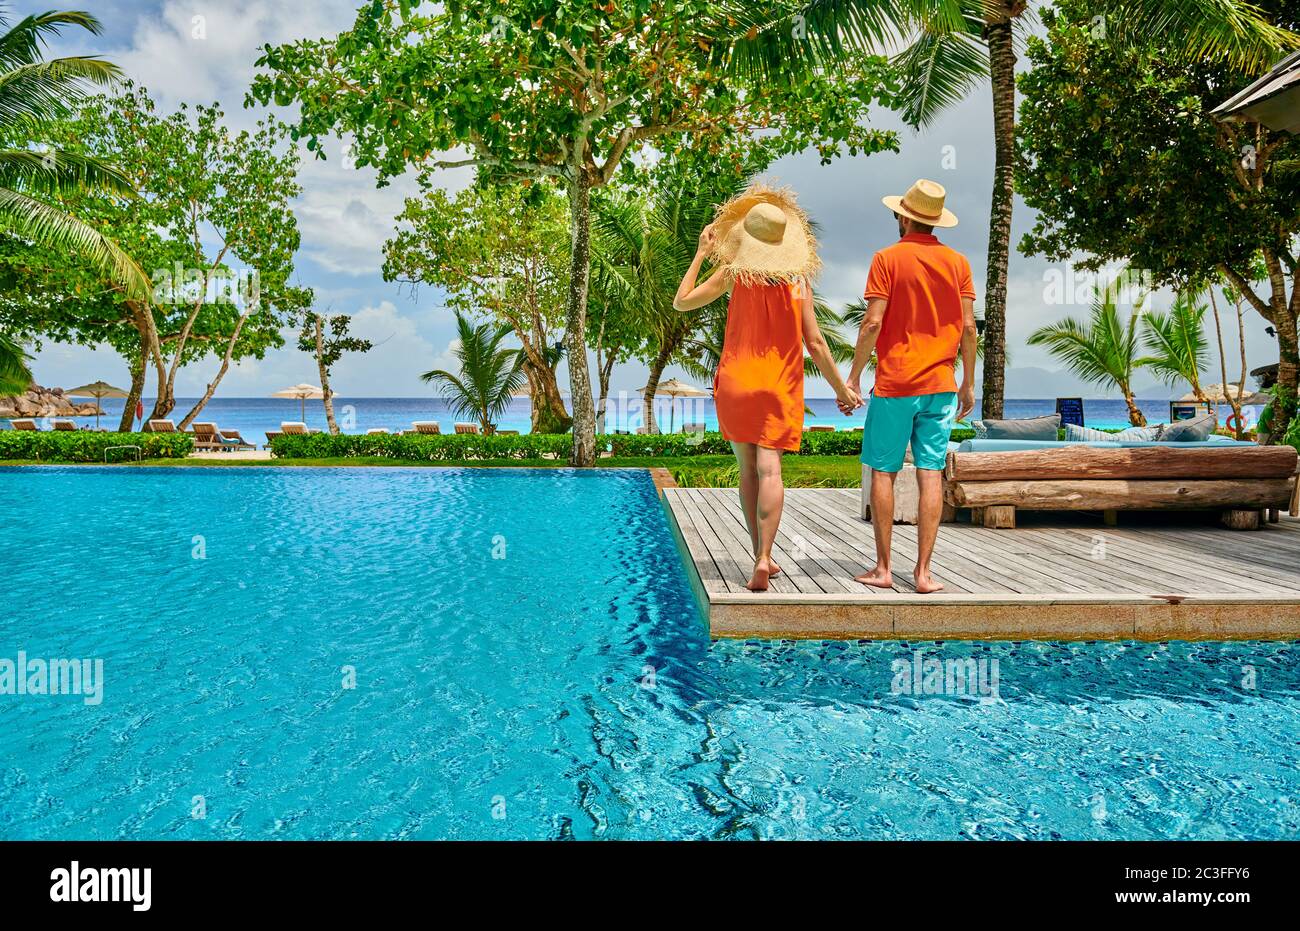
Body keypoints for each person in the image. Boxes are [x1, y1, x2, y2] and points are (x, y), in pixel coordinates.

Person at [675, 184, 862, 592]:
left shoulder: (733, 274)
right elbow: (815, 343)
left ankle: (759, 553)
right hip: (778, 386)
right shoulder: (797, 282)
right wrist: (841, 389)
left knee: (747, 471)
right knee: (770, 469)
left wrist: (702, 252)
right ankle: (764, 558)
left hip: (738, 383)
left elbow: (682, 301)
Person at [846, 179, 979, 593]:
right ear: (935, 221)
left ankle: (884, 569)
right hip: (941, 384)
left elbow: (872, 322)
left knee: (883, 471)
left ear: (905, 217)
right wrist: (969, 384)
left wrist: (852, 376)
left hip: (896, 383)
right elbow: (970, 329)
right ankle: (923, 573)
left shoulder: (886, 259)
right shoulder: (958, 263)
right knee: (930, 472)